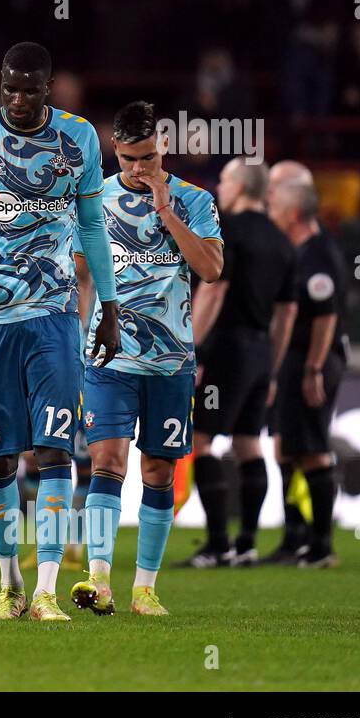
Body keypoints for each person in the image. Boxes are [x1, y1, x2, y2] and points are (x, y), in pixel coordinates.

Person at [0, 42, 120, 622]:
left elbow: (93, 223)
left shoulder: (79, 138)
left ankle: (45, 589)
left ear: (49, 88)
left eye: (29, 90)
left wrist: (109, 305)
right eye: (8, 89)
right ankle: (9, 582)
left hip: (55, 316)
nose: (17, 100)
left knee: (53, 449)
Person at [68, 101, 224, 617]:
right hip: (110, 360)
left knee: (158, 470)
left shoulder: (194, 200)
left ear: (164, 150)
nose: (139, 169)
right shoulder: (94, 201)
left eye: (149, 159)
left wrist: (164, 210)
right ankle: (99, 581)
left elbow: (210, 269)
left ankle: (145, 589)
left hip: (171, 362)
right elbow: (80, 276)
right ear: (115, 150)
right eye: (131, 159)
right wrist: (79, 341)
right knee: (105, 461)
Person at [186, 158, 297, 567]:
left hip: (226, 349)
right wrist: (271, 366)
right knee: (249, 442)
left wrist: (191, 347)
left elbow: (214, 293)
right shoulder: (282, 240)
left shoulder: (227, 230)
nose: (219, 186)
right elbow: (287, 314)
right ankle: (247, 542)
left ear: (242, 187)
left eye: (226, 180)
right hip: (261, 351)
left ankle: (217, 545)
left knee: (201, 441)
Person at [267, 179, 347, 567]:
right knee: (288, 446)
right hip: (293, 362)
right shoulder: (297, 251)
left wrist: (314, 368)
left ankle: (322, 546)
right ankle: (295, 538)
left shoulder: (318, 255)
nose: (271, 213)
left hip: (312, 362)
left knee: (312, 449)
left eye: (276, 206)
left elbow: (325, 316)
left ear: (294, 213)